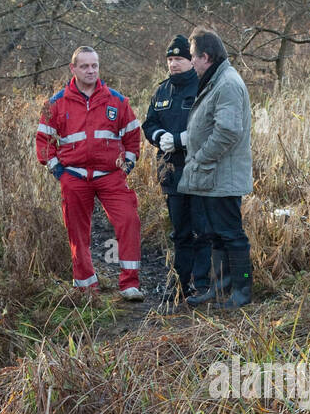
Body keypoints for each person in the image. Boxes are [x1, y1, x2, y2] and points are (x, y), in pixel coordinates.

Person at [35, 46, 144, 300]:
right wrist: (58, 171)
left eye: (94, 65)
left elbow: (132, 135)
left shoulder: (117, 101)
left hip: (110, 175)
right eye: (84, 66)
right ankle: (86, 287)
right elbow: (44, 140)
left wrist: (126, 166)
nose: (90, 70)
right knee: (77, 230)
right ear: (73, 69)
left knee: (129, 220)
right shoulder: (56, 103)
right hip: (73, 175)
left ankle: (130, 284)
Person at [178, 27, 254, 308]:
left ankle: (242, 293)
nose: (191, 62)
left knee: (232, 236)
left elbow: (228, 131)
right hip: (215, 177)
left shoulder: (227, 84)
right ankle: (222, 290)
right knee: (218, 235)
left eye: (193, 57)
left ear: (206, 57)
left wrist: (201, 159)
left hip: (223, 175)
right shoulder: (217, 80)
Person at [141, 34, 209, 309]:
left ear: (190, 60)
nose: (173, 64)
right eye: (169, 59)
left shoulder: (204, 87)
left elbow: (209, 128)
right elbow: (149, 123)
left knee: (202, 231)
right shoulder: (161, 91)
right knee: (180, 232)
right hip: (171, 172)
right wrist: (159, 136)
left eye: (178, 59)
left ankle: (202, 285)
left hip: (199, 171)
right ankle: (180, 283)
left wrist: (181, 138)